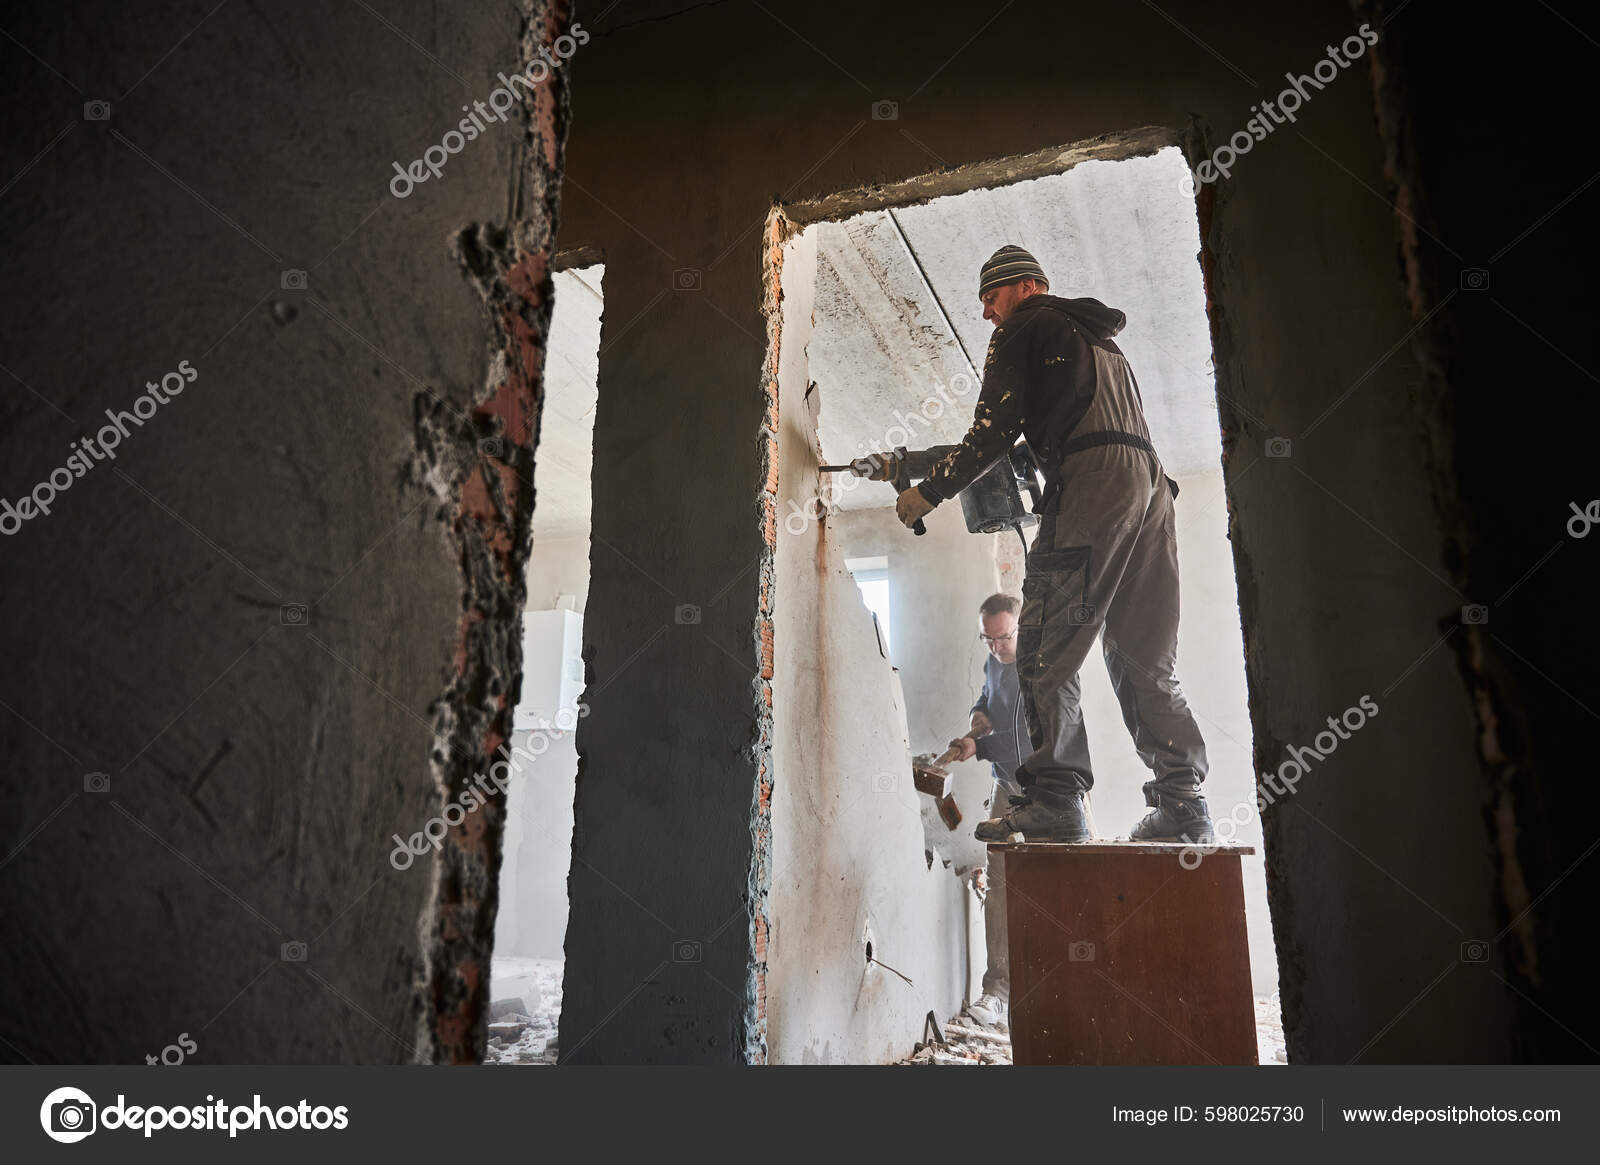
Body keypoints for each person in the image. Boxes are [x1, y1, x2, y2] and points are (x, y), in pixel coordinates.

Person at [895, 245, 1213, 845]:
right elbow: (1043, 436)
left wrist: (928, 493)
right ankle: (1184, 806)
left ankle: (1057, 802)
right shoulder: (1102, 343)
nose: (988, 313)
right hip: (1149, 489)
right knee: (1146, 659)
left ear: (1027, 286)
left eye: (991, 297)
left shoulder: (1025, 326)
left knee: (1040, 649)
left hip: (1092, 487)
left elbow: (991, 431)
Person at [948, 593, 1026, 1028]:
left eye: (1004, 637)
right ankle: (997, 992)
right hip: (1004, 787)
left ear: (1020, 626)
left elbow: (1025, 738)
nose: (997, 647)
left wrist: (977, 745)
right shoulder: (994, 659)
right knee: (998, 888)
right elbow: (988, 696)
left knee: (1063, 883)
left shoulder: (1039, 663)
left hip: (1049, 790)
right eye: (988, 639)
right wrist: (979, 714)